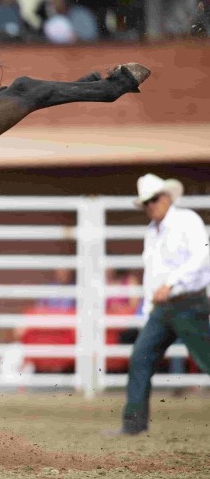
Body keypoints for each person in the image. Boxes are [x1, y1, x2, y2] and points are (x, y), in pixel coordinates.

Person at [109, 174, 210, 436]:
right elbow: (151, 274)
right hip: (162, 309)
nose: (150, 206)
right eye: (146, 202)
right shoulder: (152, 232)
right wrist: (149, 306)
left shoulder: (187, 220)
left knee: (207, 359)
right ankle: (133, 425)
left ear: (166, 197)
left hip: (188, 302)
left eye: (153, 199)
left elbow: (202, 255)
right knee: (140, 358)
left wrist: (172, 283)